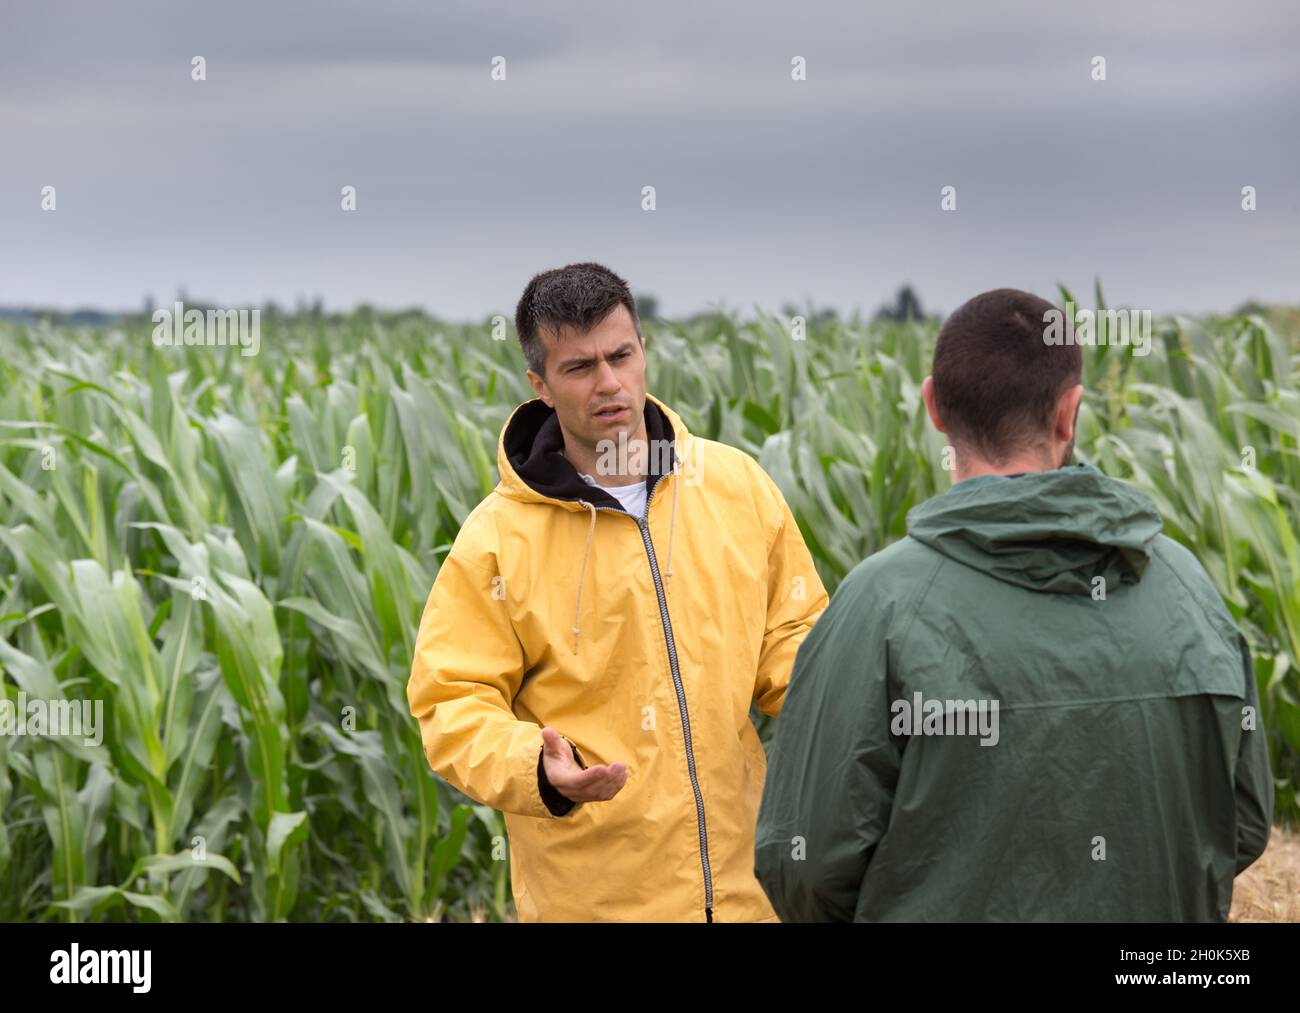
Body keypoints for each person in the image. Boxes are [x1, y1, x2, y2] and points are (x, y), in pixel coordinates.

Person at [754, 287, 1274, 921]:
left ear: (933, 408)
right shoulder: (1187, 588)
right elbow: (1242, 819)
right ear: (1069, 412)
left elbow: (803, 864)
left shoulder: (878, 605)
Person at [408, 261, 828, 921]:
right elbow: (451, 701)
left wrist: (860, 693)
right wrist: (539, 771)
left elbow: (793, 638)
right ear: (540, 385)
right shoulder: (496, 540)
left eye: (621, 355)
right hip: (597, 905)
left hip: (750, 894)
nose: (609, 383)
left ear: (643, 354)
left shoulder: (735, 486)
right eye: (579, 367)